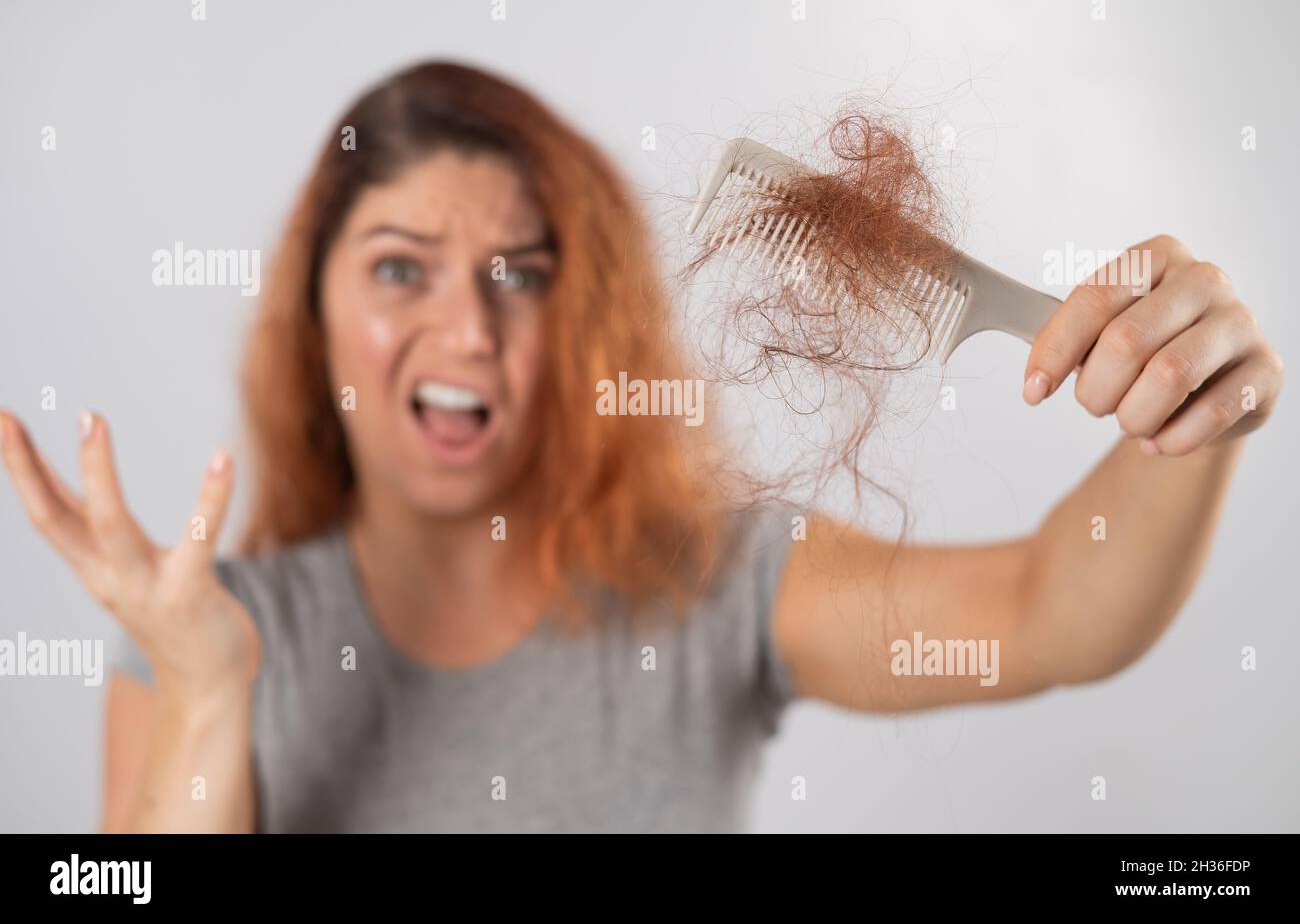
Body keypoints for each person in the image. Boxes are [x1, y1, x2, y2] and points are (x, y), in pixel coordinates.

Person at [0, 61, 1283, 832]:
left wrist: (1192, 409)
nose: (464, 327)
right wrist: (210, 690)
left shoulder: (714, 581)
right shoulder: (206, 625)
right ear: (315, 321)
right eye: (400, 270)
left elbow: (1055, 611)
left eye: (519, 274)